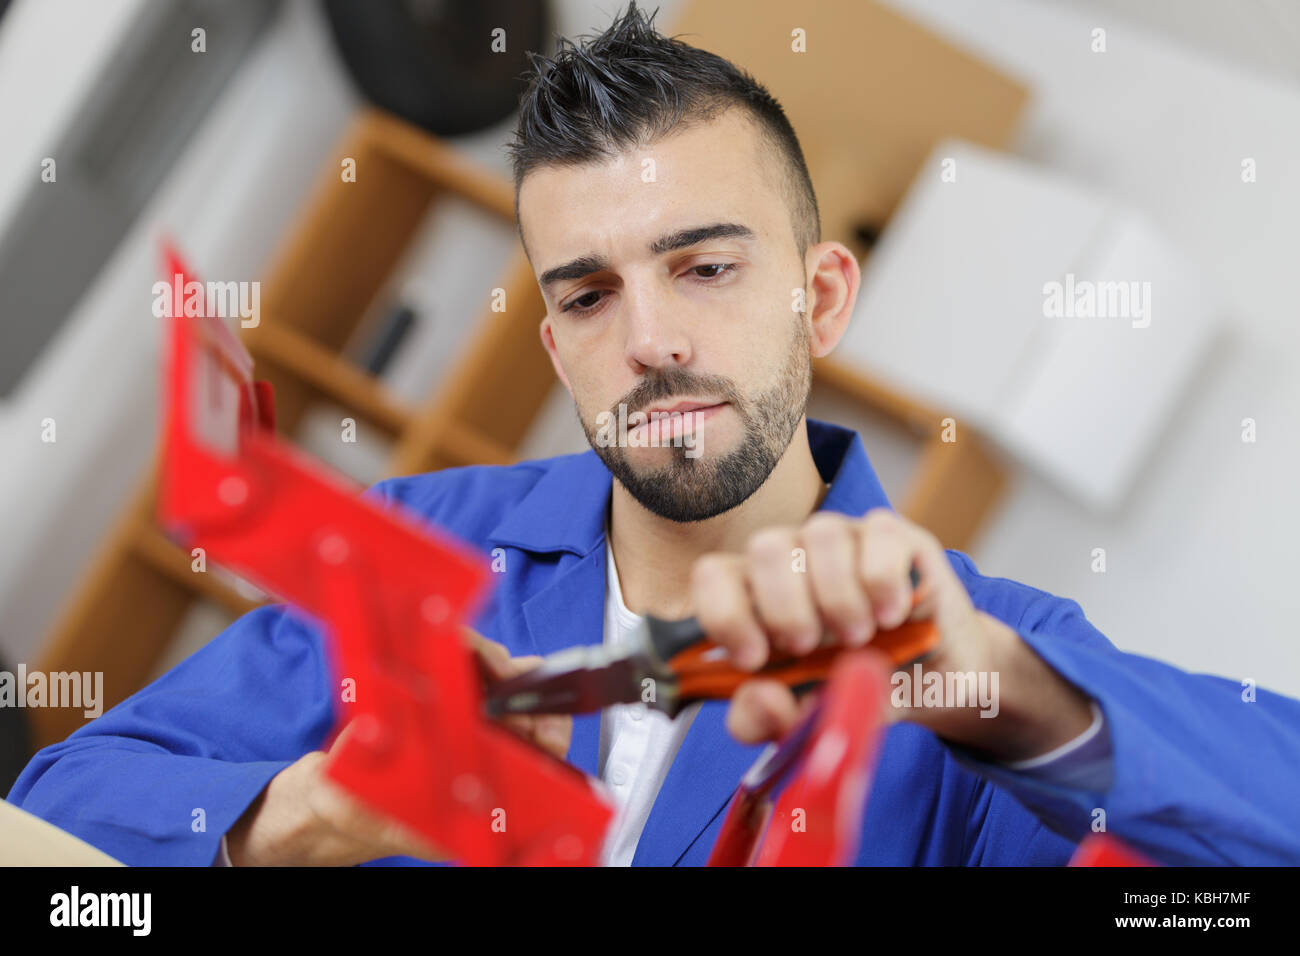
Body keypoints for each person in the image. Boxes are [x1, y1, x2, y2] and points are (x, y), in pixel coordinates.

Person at [9, 2, 1300, 866]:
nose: (650, 340)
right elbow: (56, 816)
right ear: (555, 343)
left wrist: (1015, 701)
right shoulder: (413, 549)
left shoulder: (985, 663)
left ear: (824, 298)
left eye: (705, 269)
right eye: (588, 293)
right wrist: (292, 815)